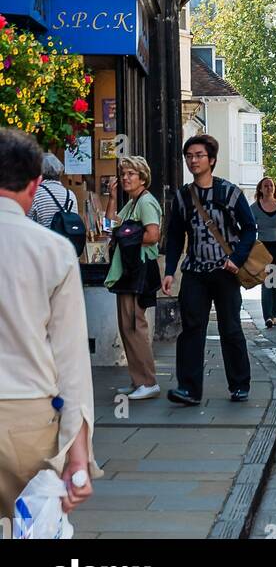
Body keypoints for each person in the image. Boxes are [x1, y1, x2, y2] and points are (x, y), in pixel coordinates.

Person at [0, 127, 98, 522]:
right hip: (31, 420)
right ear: (36, 183)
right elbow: (71, 360)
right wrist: (79, 456)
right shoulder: (54, 251)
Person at [162, 134, 257, 405]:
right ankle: (189, 389)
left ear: (212, 160)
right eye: (189, 156)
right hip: (194, 272)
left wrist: (236, 259)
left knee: (230, 328)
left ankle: (240, 385)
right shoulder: (182, 197)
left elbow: (250, 229)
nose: (193, 160)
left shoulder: (230, 192)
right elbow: (175, 236)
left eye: (199, 155)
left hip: (226, 271)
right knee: (191, 329)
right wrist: (170, 271)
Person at [104, 156, 162, 400]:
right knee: (127, 327)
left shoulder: (146, 202)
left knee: (136, 327)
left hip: (138, 270)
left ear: (143, 177)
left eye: (131, 173)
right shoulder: (132, 203)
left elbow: (153, 235)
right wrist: (112, 197)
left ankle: (148, 381)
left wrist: (126, 239)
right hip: (128, 270)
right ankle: (138, 380)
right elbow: (110, 224)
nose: (125, 177)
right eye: (123, 173)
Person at [251, 177, 276, 328]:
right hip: (263, 249)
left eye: (271, 185)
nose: (269, 188)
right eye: (265, 185)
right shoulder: (254, 208)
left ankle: (275, 315)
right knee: (267, 282)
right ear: (260, 189)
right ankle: (267, 316)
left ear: (275, 188)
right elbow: (249, 229)